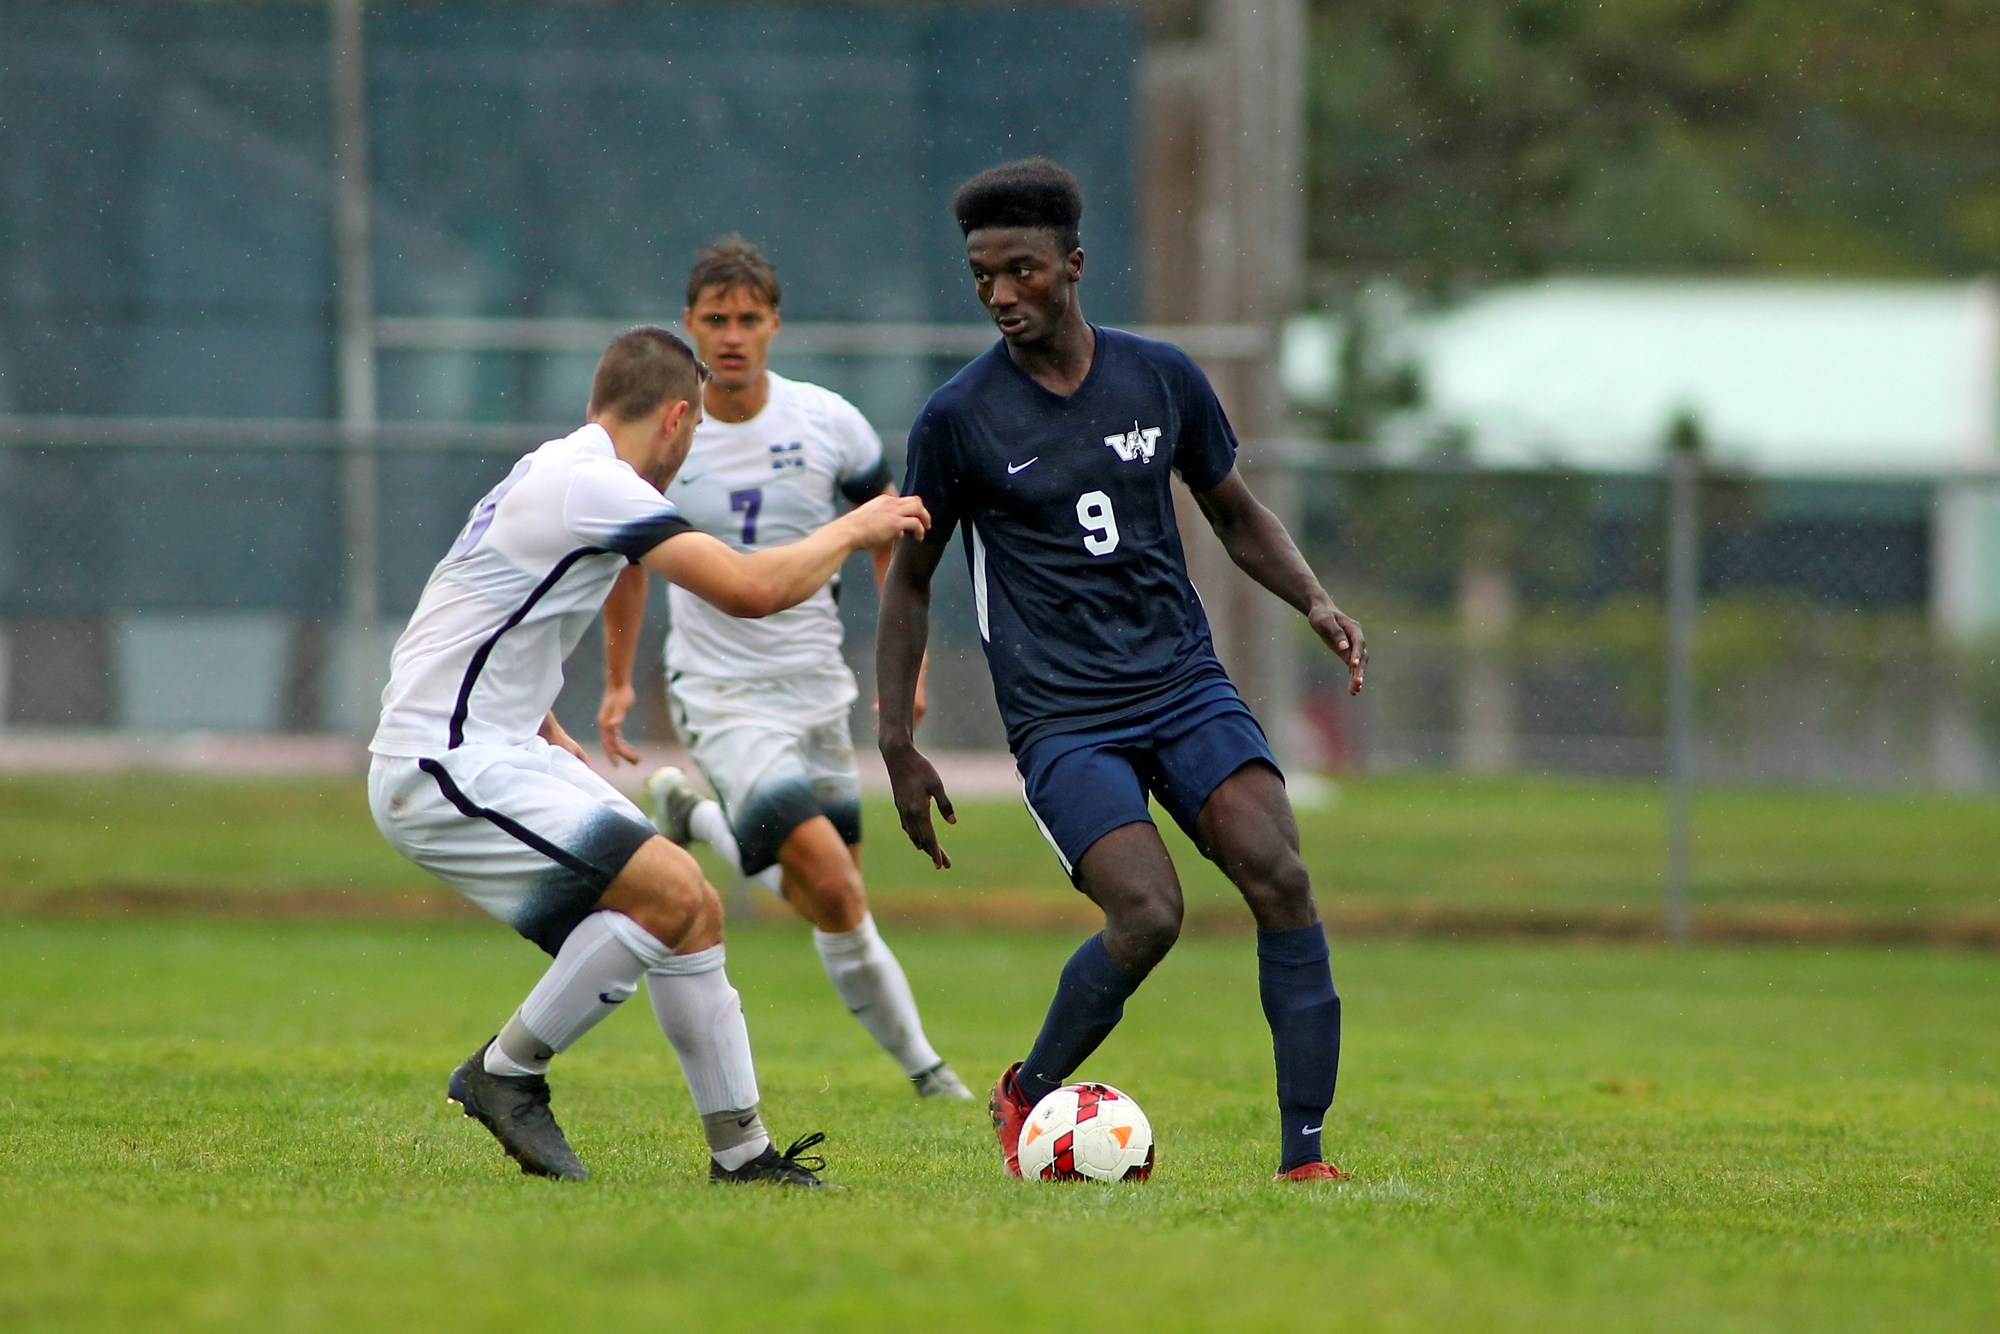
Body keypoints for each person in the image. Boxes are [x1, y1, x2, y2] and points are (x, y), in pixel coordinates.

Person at [875, 159, 1368, 1182]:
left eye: (1022, 270)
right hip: (1063, 719)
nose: (1001, 294)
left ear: (1073, 265)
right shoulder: (957, 419)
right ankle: (1029, 1087)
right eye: (981, 276)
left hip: (1182, 684)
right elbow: (909, 582)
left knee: (1279, 874)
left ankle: (1304, 1158)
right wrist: (896, 741)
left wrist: (1313, 599)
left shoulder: (1161, 378)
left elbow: (1234, 513)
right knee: (1148, 913)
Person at [368, 325, 931, 1187]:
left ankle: (742, 1157)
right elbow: (750, 591)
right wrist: (856, 526)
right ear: (675, 417)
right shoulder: (593, 484)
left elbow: (464, 613)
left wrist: (534, 718)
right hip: (444, 765)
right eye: (696, 430)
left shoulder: (552, 468)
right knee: (667, 893)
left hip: (495, 745)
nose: (692, 447)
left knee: (692, 909)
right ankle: (506, 1074)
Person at [595, 237, 971, 1101]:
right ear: (688, 325)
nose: (732, 336)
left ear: (775, 325)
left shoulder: (826, 423)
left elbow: (894, 532)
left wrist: (900, 662)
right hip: (720, 694)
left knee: (830, 902)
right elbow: (627, 565)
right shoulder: (665, 439)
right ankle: (932, 1073)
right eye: (715, 320)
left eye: (749, 319)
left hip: (816, 691)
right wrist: (619, 680)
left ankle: (697, 818)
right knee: (830, 880)